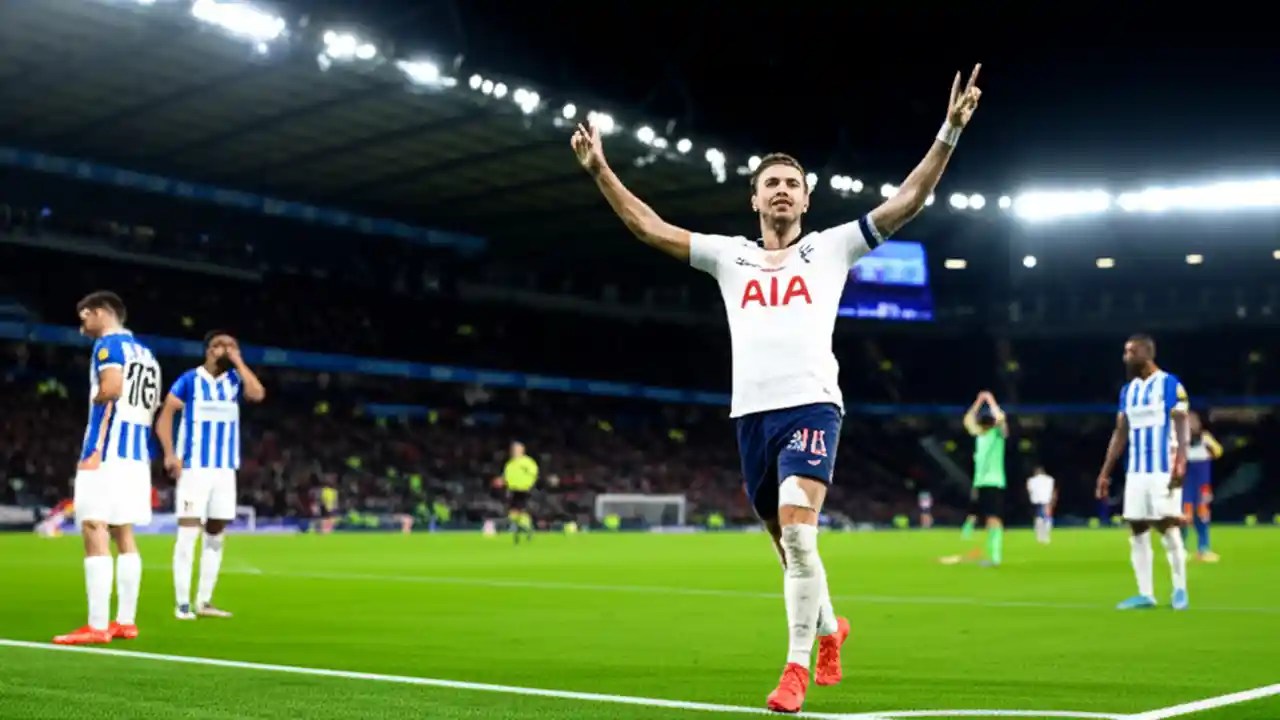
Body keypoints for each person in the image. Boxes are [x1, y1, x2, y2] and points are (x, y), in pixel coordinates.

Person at [572, 65, 983, 712]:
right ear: (755, 201)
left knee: (798, 531)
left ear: (807, 199)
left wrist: (950, 131)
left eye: (793, 183)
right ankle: (830, 629)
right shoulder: (726, 256)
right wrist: (600, 170)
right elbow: (649, 227)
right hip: (750, 419)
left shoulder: (830, 250)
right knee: (789, 549)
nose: (784, 191)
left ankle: (793, 672)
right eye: (772, 184)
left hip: (814, 405)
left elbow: (908, 199)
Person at [54, 291, 162, 645]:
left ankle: (97, 626)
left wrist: (95, 400)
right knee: (123, 533)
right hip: (136, 455)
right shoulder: (147, 355)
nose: (82, 322)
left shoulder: (107, 346)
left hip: (105, 451)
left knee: (93, 525)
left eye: (84, 314)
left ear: (101, 312)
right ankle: (125, 622)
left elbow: (112, 387)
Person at [156, 330, 265, 620]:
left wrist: (239, 362)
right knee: (188, 532)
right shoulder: (190, 380)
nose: (226, 350)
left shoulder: (234, 381)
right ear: (207, 350)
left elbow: (258, 394)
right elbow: (165, 415)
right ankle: (182, 604)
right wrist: (169, 453)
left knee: (216, 532)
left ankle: (204, 601)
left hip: (225, 469)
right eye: (220, 345)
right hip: (194, 468)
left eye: (232, 346)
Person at [1096, 334, 1191, 610]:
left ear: (1146, 354)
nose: (1125, 357)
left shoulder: (1170, 384)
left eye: (1130, 352)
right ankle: (1146, 593)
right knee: (1136, 527)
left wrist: (1181, 460)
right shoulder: (1129, 391)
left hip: (1164, 468)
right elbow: (1120, 432)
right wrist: (1105, 472)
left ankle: (1179, 589)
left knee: (1167, 525)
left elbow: (1183, 423)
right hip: (1136, 471)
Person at [944, 391, 1008, 566]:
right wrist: (979, 401)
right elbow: (967, 420)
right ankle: (986, 548)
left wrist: (990, 400)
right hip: (980, 482)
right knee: (984, 516)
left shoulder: (997, 435)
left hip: (993, 481)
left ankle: (995, 557)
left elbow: (1001, 418)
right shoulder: (980, 436)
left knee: (993, 518)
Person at [1183, 410, 1223, 562]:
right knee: (1184, 516)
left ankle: (1203, 549)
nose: (1191, 425)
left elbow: (1218, 452)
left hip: (1202, 486)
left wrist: (1209, 445)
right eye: (1188, 422)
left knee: (1203, 515)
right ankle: (1182, 549)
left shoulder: (1205, 438)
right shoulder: (1178, 439)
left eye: (1194, 421)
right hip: (1186, 485)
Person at [503, 441, 538, 544]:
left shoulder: (527, 462)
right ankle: (523, 528)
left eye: (517, 449)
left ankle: (523, 528)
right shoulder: (510, 464)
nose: (514, 451)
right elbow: (507, 476)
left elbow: (534, 473)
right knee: (513, 512)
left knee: (520, 510)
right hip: (513, 489)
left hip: (524, 489)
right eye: (513, 449)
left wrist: (529, 485)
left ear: (522, 450)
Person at [1026, 465, 1057, 544]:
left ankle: (1040, 536)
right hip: (1046, 500)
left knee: (1039, 516)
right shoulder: (1050, 479)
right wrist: (1053, 499)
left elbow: (1029, 489)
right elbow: (1053, 490)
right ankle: (1045, 535)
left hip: (1036, 500)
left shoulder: (1031, 480)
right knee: (1046, 516)